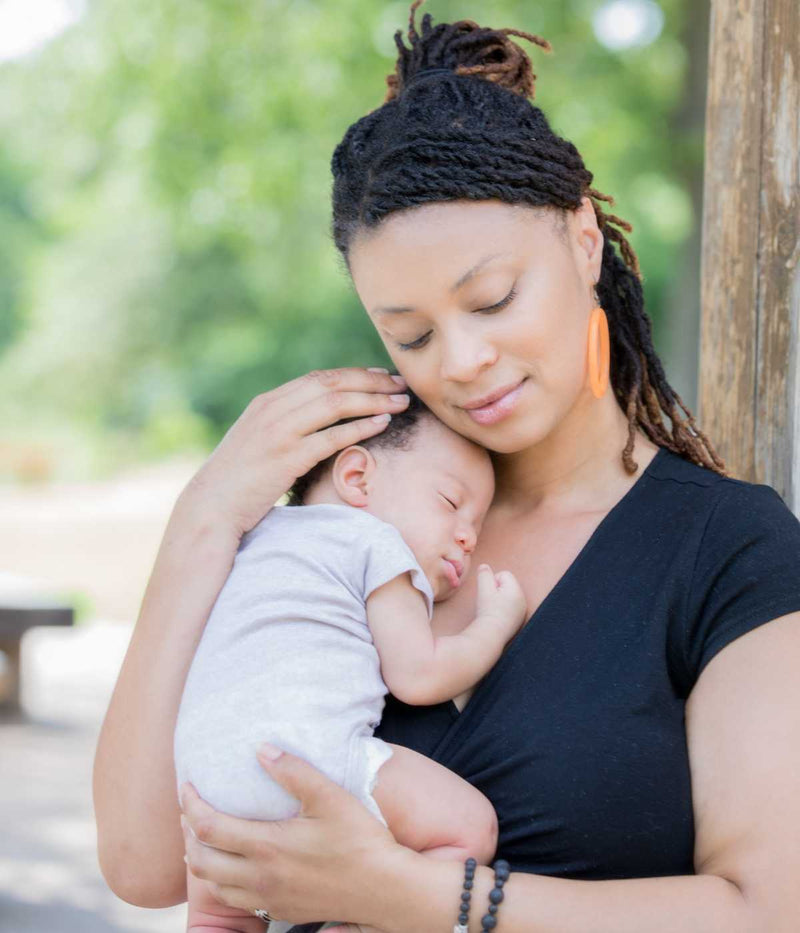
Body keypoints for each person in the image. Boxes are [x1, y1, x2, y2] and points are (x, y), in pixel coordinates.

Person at [94, 2, 800, 930]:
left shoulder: (725, 546)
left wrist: (418, 895)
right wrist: (207, 517)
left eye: (494, 298)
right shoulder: (349, 522)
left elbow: (768, 911)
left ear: (584, 240)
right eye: (411, 333)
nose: (460, 360)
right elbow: (148, 863)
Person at [174, 395, 529, 932]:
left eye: (477, 524)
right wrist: (496, 624)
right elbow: (419, 675)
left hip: (204, 778)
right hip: (309, 760)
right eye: (451, 502)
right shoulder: (375, 542)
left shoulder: (252, 537)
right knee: (468, 831)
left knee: (220, 918)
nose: (468, 536)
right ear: (358, 477)